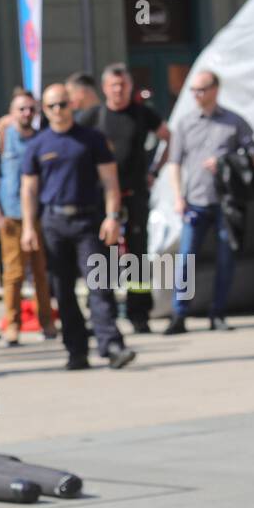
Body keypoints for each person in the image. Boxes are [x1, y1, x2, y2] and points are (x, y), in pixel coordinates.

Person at [21, 83, 135, 371]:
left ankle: (112, 346)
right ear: (44, 111)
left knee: (99, 285)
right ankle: (76, 351)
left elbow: (110, 181)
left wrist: (112, 217)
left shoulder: (92, 139)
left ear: (72, 104)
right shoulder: (37, 144)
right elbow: (28, 189)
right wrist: (28, 227)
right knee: (63, 290)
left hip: (88, 221)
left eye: (62, 104)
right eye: (51, 106)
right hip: (54, 223)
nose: (58, 110)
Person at [166, 70, 254, 333]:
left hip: (226, 203)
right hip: (194, 200)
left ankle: (217, 313)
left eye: (201, 89)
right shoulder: (185, 123)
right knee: (185, 258)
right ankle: (179, 313)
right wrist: (177, 197)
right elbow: (174, 163)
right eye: (193, 90)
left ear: (215, 89)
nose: (196, 95)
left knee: (225, 258)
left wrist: (224, 163)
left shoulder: (234, 122)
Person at [78, 63, 171, 333]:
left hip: (134, 195)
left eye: (123, 85)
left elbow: (168, 137)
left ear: (130, 87)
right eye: (113, 85)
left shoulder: (143, 114)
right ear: (105, 89)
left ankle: (139, 312)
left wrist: (155, 170)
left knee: (137, 256)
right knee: (101, 255)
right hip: (103, 198)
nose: (119, 90)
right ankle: (101, 314)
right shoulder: (93, 116)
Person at [0, 90, 57, 345]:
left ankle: (47, 323)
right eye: (21, 109)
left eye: (30, 109)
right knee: (14, 274)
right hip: (11, 216)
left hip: (39, 215)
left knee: (41, 273)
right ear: (11, 113)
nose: (26, 114)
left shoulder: (42, 139)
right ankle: (12, 324)